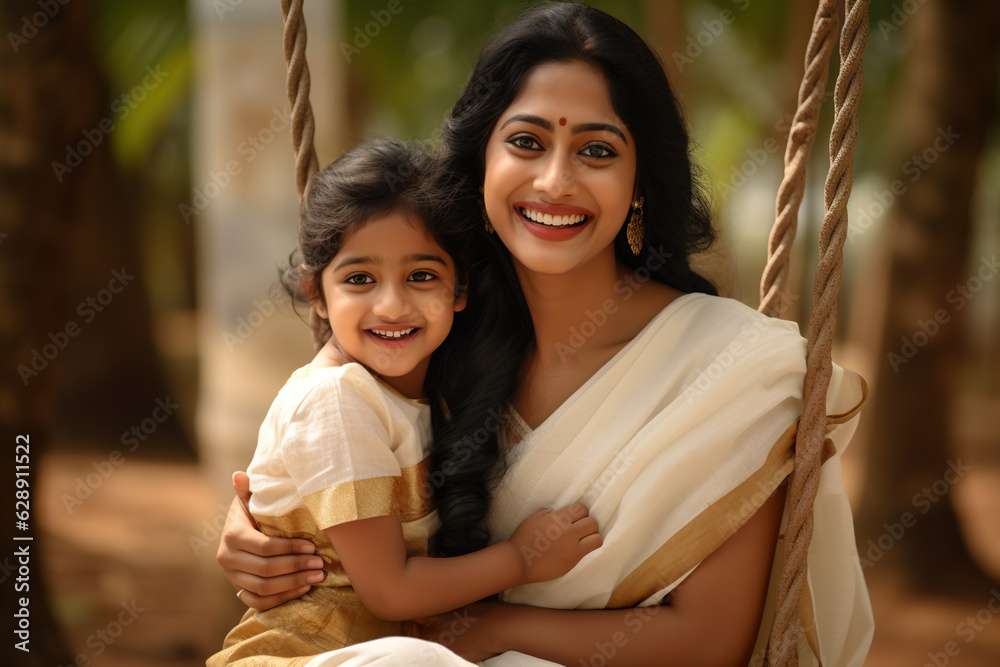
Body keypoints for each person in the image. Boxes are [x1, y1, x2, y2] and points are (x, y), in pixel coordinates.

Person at [216, 4, 873, 666]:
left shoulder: (729, 370)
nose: (555, 181)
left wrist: (499, 627)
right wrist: (254, 526)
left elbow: (709, 640)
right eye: (527, 143)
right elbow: (325, 409)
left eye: (596, 150)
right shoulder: (429, 322)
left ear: (639, 183)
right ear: (480, 164)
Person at [207, 137, 603, 666]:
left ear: (459, 291)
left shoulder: (426, 397)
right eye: (360, 279)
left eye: (421, 276)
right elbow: (388, 592)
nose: (391, 306)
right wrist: (521, 559)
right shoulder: (336, 399)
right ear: (317, 293)